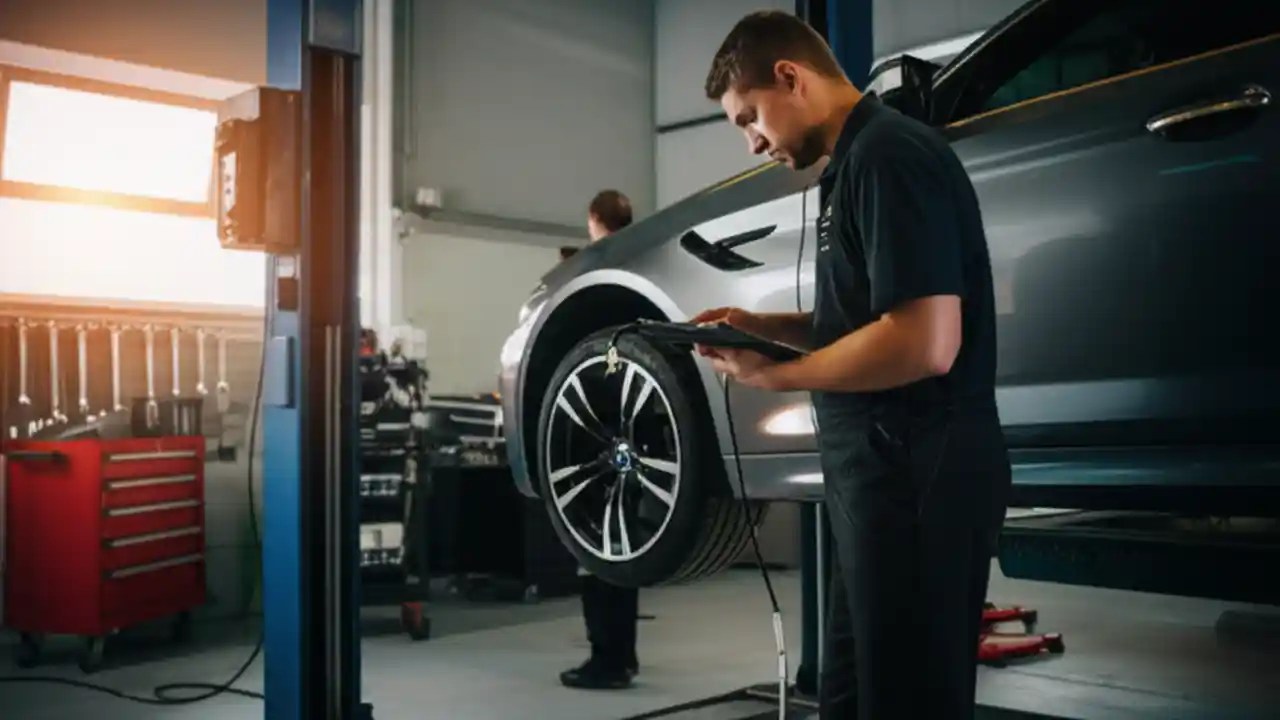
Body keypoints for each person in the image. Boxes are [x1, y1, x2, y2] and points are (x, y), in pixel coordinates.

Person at [696, 11, 1011, 718]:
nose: (753, 142)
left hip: (917, 475)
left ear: (789, 77)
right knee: (854, 697)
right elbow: (868, 322)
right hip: (876, 479)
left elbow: (926, 342)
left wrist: (776, 378)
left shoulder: (890, 156)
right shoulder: (852, 167)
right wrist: (762, 329)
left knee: (905, 702)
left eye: (750, 118)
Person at [559, 188, 641, 691]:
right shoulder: (641, 264)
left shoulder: (587, 271)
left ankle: (606, 660)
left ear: (593, 220)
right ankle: (623, 655)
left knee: (594, 545)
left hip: (591, 430)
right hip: (633, 425)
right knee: (624, 543)